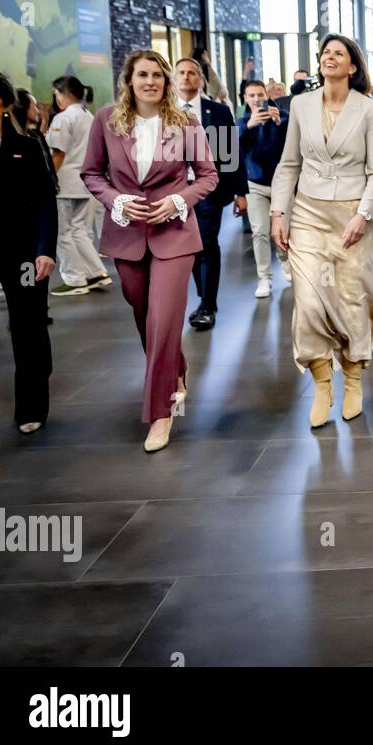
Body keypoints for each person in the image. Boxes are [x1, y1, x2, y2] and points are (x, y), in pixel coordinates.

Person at [81, 50, 220, 452]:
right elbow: (91, 172)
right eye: (142, 74)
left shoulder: (185, 122)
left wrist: (179, 200)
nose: (150, 81)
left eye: (158, 75)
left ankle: (161, 412)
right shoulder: (106, 121)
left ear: (166, 81)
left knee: (164, 318)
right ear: (129, 80)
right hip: (126, 234)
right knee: (145, 316)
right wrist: (116, 200)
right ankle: (174, 369)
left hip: (174, 233)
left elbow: (208, 175)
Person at [270, 34, 373, 429]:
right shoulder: (301, 105)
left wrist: (364, 216)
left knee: (351, 299)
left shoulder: (371, 110)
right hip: (308, 213)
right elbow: (289, 163)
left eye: (338, 53)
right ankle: (322, 383)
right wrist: (278, 212)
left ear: (353, 66)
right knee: (308, 301)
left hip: (353, 215)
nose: (329, 57)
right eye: (325, 52)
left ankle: (353, 380)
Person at [0, 67, 57, 436]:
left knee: (29, 329)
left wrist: (45, 250)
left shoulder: (26, 147)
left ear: (4, 104)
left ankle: (31, 407)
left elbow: (44, 202)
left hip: (24, 256)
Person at [173, 56, 247, 331]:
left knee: (206, 243)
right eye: (181, 72)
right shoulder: (163, 112)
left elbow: (230, 154)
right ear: (174, 79)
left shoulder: (217, 112)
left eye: (192, 72)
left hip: (207, 191)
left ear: (201, 80)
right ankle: (204, 295)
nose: (186, 77)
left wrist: (240, 192)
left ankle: (207, 305)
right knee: (189, 248)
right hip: (174, 192)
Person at [48, 75, 110, 297]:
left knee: (63, 232)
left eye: (56, 94)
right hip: (85, 182)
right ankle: (96, 273)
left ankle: (75, 279)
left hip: (64, 182)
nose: (56, 98)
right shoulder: (89, 116)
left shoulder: (64, 118)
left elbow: (58, 154)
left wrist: (47, 179)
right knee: (78, 230)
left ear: (63, 93)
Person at [238, 80, 289, 298]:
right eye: (252, 95)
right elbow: (231, 154)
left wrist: (279, 123)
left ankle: (286, 264)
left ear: (266, 96)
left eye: (260, 94)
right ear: (245, 99)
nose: (257, 99)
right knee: (259, 231)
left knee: (283, 229)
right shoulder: (241, 122)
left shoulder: (282, 117)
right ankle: (264, 278)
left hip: (280, 183)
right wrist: (248, 126)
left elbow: (294, 145)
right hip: (254, 184)